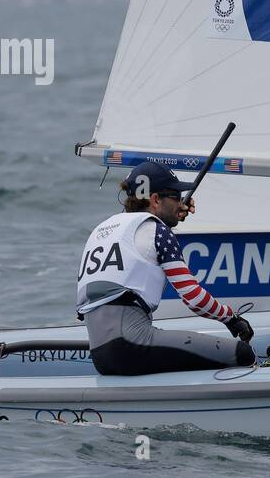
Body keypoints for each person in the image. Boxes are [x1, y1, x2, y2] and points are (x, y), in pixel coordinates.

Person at [77, 161, 256, 375]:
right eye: (176, 197)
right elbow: (194, 298)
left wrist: (168, 214)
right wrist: (231, 318)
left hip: (101, 355)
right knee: (243, 354)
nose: (181, 203)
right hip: (132, 345)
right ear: (155, 199)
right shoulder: (157, 232)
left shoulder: (104, 229)